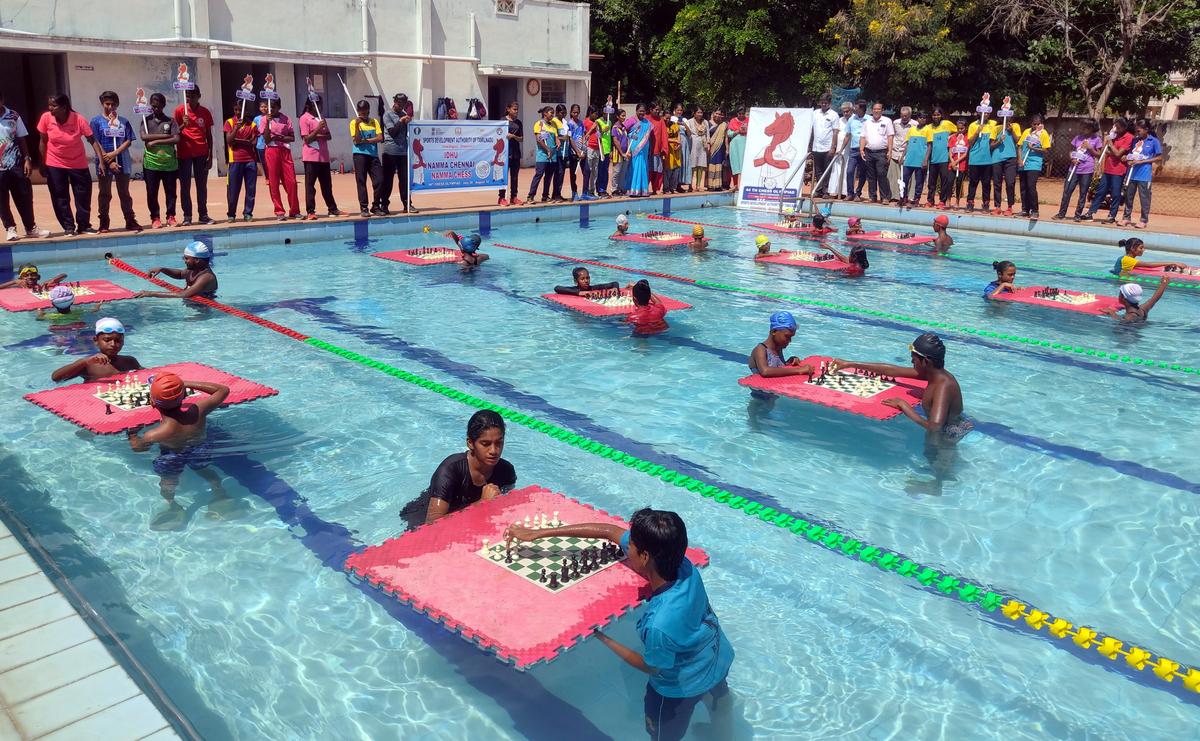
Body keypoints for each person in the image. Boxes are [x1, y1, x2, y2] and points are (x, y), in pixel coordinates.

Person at [504, 508, 734, 741]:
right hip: (718, 658)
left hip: (678, 690)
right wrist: (538, 533)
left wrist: (602, 637)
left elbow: (652, 667)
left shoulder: (659, 624)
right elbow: (610, 532)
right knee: (720, 704)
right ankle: (723, 733)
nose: (626, 547)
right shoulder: (682, 565)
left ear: (644, 557)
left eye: (631, 545)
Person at [127, 373, 233, 530]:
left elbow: (138, 448)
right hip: (199, 448)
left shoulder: (155, 433)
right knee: (205, 469)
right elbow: (223, 390)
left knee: (168, 481)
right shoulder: (198, 411)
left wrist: (133, 434)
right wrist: (184, 383)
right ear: (183, 394)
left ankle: (172, 504)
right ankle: (219, 492)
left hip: (171, 457)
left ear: (152, 402)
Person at [831, 333, 971, 440]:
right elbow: (892, 371)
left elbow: (935, 427)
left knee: (938, 469)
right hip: (946, 426)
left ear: (926, 362)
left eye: (914, 359)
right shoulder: (933, 374)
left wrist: (904, 407)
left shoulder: (943, 386)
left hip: (949, 434)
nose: (911, 362)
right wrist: (850, 364)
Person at [400, 410, 516, 528]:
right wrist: (482, 503)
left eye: (499, 443)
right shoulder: (450, 471)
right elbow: (432, 524)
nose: (494, 450)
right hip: (420, 518)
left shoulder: (506, 472)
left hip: (465, 517)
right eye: (485, 444)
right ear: (470, 443)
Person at [37, 94, 106, 235]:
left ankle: (84, 225)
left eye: (54, 106)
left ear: (64, 107)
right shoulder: (46, 118)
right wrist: (43, 163)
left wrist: (101, 161)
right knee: (59, 196)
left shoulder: (78, 119)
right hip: (54, 162)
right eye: (49, 105)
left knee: (83, 195)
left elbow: (92, 140)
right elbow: (43, 141)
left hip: (78, 163)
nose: (50, 109)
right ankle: (68, 227)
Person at [0, 91, 50, 241]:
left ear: (2, 100)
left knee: (24, 196)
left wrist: (27, 159)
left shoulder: (14, 116)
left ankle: (30, 228)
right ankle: (10, 228)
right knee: (2, 200)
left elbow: (22, 139)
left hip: (16, 165)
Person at [90, 91, 141, 234]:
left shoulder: (123, 122)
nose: (110, 106)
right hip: (103, 161)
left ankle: (130, 220)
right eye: (107, 104)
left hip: (122, 160)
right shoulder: (96, 121)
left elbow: (129, 139)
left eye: (113, 104)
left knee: (124, 192)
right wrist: (108, 159)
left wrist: (116, 153)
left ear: (117, 104)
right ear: (102, 104)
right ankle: (104, 222)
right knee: (105, 193)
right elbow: (95, 140)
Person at [51, 317, 142, 382]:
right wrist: (85, 362)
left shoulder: (130, 361)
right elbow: (56, 378)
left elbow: (147, 375)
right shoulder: (89, 365)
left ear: (123, 342)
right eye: (107, 340)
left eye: (118, 340)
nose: (113, 344)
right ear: (96, 341)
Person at [173, 86, 215, 226]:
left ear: (199, 95)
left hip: (202, 153)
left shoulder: (205, 112)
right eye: (187, 95)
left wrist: (210, 156)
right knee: (185, 185)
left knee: (201, 186)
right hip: (184, 153)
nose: (190, 98)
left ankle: (203, 215)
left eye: (192, 95)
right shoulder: (180, 111)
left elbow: (209, 135)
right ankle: (187, 216)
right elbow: (174, 133)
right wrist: (182, 125)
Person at [140, 93, 180, 229]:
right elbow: (143, 136)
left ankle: (171, 216)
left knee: (171, 192)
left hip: (169, 164)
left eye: (157, 106)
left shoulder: (170, 121)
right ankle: (155, 217)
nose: (155, 108)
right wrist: (165, 137)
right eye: (153, 105)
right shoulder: (146, 121)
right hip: (151, 164)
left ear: (163, 105)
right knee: (152, 192)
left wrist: (155, 140)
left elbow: (176, 138)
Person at [298, 97, 341, 220]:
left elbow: (329, 136)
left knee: (327, 185)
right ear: (310, 105)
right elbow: (307, 139)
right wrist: (318, 129)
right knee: (310, 185)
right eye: (317, 104)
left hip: (323, 156)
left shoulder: (320, 118)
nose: (319, 107)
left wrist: (320, 132)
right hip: (311, 156)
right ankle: (310, 211)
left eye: (320, 104)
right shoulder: (304, 118)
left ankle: (332, 208)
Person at [1083, 118, 1132, 223]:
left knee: (1115, 193)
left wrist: (1110, 144)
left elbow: (1118, 154)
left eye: (1118, 128)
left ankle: (1112, 215)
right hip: (1108, 168)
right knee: (1100, 191)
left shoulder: (1128, 137)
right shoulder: (1113, 136)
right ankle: (1090, 212)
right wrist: (1107, 140)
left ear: (1124, 127)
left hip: (1118, 170)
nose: (1116, 130)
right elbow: (1106, 151)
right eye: (1115, 127)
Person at [1054, 119, 1103, 221]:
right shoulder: (1077, 138)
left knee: (1083, 193)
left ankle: (1077, 215)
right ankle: (1061, 213)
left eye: (1085, 127)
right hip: (1074, 169)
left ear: (1091, 128)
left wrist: (1090, 148)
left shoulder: (1096, 139)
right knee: (1067, 191)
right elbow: (1071, 150)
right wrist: (1072, 158)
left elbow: (1099, 154)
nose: (1082, 129)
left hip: (1087, 170)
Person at [259, 99, 300, 220]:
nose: (271, 110)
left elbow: (292, 137)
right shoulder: (263, 119)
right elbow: (266, 139)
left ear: (279, 107)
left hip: (285, 151)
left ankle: (294, 210)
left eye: (274, 107)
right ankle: (279, 211)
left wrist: (279, 137)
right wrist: (267, 123)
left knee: (291, 182)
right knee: (274, 182)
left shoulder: (286, 119)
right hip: (271, 151)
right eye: (269, 107)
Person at [136, 241, 218, 300]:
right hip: (193, 303)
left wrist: (150, 293)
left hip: (203, 308)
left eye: (186, 258)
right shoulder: (194, 269)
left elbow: (184, 294)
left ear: (197, 260)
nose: (184, 261)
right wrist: (162, 269)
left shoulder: (206, 277)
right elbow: (180, 274)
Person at [1120, 119, 1162, 229]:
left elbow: (1159, 157)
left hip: (1144, 175)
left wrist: (1141, 161)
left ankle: (1143, 220)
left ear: (1146, 130)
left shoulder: (1154, 141)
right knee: (1128, 197)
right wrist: (1127, 158)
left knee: (1144, 198)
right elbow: (1131, 154)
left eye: (1139, 131)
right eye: (1136, 131)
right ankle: (1126, 218)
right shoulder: (1135, 141)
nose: (1137, 133)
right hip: (1132, 174)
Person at [224, 100, 258, 223]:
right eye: (236, 110)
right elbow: (229, 140)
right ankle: (231, 214)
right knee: (233, 189)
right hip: (235, 160)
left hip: (250, 160)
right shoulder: (230, 122)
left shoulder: (252, 125)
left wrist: (238, 141)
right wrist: (236, 130)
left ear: (246, 111)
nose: (238, 112)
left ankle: (248, 213)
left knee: (250, 188)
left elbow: (253, 143)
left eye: (240, 110)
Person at [748, 311, 813, 376]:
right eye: (787, 336)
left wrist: (788, 362)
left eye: (791, 337)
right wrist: (798, 370)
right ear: (774, 331)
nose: (790, 340)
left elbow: (776, 368)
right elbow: (765, 371)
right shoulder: (760, 349)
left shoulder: (778, 348)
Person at [381, 93, 415, 214]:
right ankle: (384, 205)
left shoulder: (404, 115)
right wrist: (401, 122)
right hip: (390, 152)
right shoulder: (387, 114)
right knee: (388, 180)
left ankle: (407, 204)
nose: (401, 106)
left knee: (404, 180)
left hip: (403, 152)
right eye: (399, 103)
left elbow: (409, 133)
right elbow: (393, 132)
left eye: (403, 104)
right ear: (394, 101)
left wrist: (410, 123)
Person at [350, 100, 384, 217]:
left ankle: (375, 206)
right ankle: (364, 207)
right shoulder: (354, 122)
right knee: (361, 181)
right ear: (358, 111)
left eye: (365, 111)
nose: (363, 113)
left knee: (379, 180)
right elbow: (357, 140)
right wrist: (357, 125)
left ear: (368, 110)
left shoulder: (374, 122)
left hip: (373, 155)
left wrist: (367, 141)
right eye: (360, 111)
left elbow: (380, 137)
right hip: (359, 155)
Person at [1016, 115, 1050, 219]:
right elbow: (1020, 147)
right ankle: (1025, 209)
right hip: (1023, 163)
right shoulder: (1026, 132)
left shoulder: (1043, 134)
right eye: (1034, 124)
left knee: (1031, 186)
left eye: (1038, 124)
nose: (1036, 126)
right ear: (1031, 124)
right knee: (1023, 187)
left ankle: (1035, 210)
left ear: (1041, 124)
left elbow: (1046, 150)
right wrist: (1020, 159)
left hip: (1034, 163)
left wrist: (1034, 148)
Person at [858, 103, 893, 202]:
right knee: (871, 176)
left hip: (881, 152)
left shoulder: (887, 121)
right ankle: (872, 197)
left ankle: (884, 197)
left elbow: (890, 136)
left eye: (878, 109)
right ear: (872, 110)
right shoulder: (867, 122)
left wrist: (890, 151)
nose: (876, 111)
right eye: (874, 109)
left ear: (882, 110)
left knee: (881, 174)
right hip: (868, 152)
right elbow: (863, 137)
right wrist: (861, 150)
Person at [924, 106, 956, 208]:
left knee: (944, 181)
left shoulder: (946, 124)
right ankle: (930, 200)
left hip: (944, 159)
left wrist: (951, 136)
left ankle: (942, 201)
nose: (936, 116)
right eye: (934, 115)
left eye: (938, 114)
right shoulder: (929, 127)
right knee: (931, 182)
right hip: (933, 159)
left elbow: (959, 131)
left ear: (941, 115)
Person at [989, 117, 1020, 215]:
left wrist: (1012, 132)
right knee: (997, 183)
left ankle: (1010, 207)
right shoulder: (996, 128)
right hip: (997, 158)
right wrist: (999, 141)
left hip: (1011, 158)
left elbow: (1018, 141)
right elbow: (991, 145)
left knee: (1010, 183)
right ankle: (997, 206)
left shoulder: (1015, 126)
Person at [810, 93, 839, 198]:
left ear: (829, 103)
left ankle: (826, 191)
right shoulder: (815, 113)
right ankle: (819, 189)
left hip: (827, 148)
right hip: (816, 147)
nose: (823, 104)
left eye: (825, 103)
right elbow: (810, 129)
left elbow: (835, 132)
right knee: (818, 170)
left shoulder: (833, 115)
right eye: (821, 102)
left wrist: (833, 147)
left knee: (827, 170)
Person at [965, 113, 996, 212]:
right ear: (979, 112)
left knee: (986, 183)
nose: (985, 114)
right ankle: (970, 203)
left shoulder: (993, 124)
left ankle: (986, 203)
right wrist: (977, 132)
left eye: (987, 112)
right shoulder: (973, 125)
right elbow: (970, 143)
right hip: (974, 159)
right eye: (983, 111)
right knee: (973, 183)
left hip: (988, 159)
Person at [899, 110, 930, 209]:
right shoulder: (912, 129)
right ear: (917, 119)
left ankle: (916, 199)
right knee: (904, 180)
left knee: (919, 182)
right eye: (920, 117)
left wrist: (925, 159)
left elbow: (929, 146)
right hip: (909, 160)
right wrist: (903, 156)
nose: (922, 119)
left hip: (920, 161)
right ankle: (903, 198)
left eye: (924, 118)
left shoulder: (928, 129)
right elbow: (907, 144)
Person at [1109, 237, 1186, 275]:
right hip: (1120, 283)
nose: (1143, 250)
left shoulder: (1125, 258)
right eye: (1141, 248)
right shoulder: (1127, 260)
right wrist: (1174, 263)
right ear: (1132, 248)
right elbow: (1149, 265)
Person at [1102, 278, 1169, 322]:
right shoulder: (1143, 309)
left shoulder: (1130, 317)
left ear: (1123, 297)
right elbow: (1154, 298)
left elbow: (1125, 322)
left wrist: (1112, 314)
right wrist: (1164, 283)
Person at [527, 107, 557, 203]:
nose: (552, 115)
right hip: (542, 155)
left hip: (552, 155)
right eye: (551, 113)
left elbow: (556, 137)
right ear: (545, 113)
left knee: (548, 176)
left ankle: (545, 196)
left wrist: (558, 142)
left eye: (553, 113)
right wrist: (547, 150)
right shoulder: (539, 124)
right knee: (539, 175)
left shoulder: (553, 125)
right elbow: (539, 139)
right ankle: (530, 196)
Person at [889, 106, 917, 204]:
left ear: (910, 115)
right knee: (894, 176)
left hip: (908, 153)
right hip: (895, 152)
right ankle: (895, 196)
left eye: (906, 116)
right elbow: (892, 136)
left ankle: (909, 196)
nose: (904, 117)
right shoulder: (895, 123)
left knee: (908, 177)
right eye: (902, 115)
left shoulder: (915, 124)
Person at [498, 101, 524, 206]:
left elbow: (521, 139)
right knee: (503, 176)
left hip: (515, 153)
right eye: (514, 109)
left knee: (514, 177)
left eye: (517, 109)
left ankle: (514, 197)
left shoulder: (519, 123)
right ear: (508, 109)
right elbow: (497, 135)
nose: (516, 111)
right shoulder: (502, 121)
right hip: (504, 154)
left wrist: (513, 137)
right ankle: (501, 198)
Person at [627, 105, 653, 197]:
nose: (642, 113)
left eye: (643, 111)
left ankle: (643, 190)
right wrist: (630, 136)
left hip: (644, 149)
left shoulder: (648, 123)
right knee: (635, 168)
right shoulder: (631, 120)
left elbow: (650, 136)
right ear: (636, 111)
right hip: (635, 148)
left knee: (643, 168)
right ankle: (634, 190)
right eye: (640, 111)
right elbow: (623, 130)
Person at [845, 100, 868, 200]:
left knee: (863, 172)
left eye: (856, 107)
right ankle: (850, 193)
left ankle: (858, 193)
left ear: (862, 109)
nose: (854, 109)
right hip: (853, 149)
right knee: (849, 171)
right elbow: (847, 135)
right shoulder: (851, 119)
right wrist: (841, 148)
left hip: (865, 150)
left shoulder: (869, 119)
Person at [683, 107, 708, 193]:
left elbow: (707, 134)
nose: (700, 114)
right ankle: (691, 185)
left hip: (703, 144)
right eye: (698, 112)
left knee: (701, 165)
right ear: (694, 113)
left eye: (701, 112)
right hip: (693, 143)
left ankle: (699, 185)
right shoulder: (689, 122)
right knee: (693, 164)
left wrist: (708, 144)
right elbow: (687, 133)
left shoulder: (705, 122)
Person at [947, 119, 969, 209]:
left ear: (965, 128)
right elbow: (950, 150)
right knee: (950, 182)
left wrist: (957, 161)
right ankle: (948, 200)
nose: (960, 130)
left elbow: (966, 153)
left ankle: (957, 201)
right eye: (958, 128)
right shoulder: (953, 138)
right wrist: (952, 161)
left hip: (962, 164)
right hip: (952, 164)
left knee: (959, 183)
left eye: (962, 128)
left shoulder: (967, 138)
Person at [551, 104, 570, 201]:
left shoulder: (565, 122)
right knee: (558, 173)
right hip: (558, 152)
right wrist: (564, 138)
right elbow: (555, 136)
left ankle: (558, 193)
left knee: (562, 174)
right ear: (557, 112)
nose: (564, 115)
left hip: (565, 152)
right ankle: (555, 194)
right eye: (562, 113)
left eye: (565, 113)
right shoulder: (554, 122)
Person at [554, 266, 619, 295]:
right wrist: (578, 293)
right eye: (582, 279)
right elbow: (557, 288)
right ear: (576, 281)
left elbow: (614, 283)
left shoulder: (593, 288)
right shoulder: (574, 290)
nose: (586, 281)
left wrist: (615, 288)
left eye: (587, 278)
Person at [0, 263, 66, 291]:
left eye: (33, 275)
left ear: (38, 277)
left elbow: (64, 275)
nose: (30, 277)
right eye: (26, 275)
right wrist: (14, 282)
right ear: (20, 279)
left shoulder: (42, 286)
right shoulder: (17, 287)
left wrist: (53, 280)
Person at [706, 108, 728, 190]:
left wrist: (727, 149)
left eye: (720, 114)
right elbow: (706, 136)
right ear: (713, 113)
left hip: (720, 148)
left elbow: (725, 137)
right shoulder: (708, 123)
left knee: (718, 165)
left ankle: (718, 185)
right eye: (716, 113)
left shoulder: (724, 125)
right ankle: (710, 185)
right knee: (711, 165)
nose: (718, 115)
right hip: (711, 148)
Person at [727, 106, 747, 191]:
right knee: (735, 165)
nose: (741, 115)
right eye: (740, 113)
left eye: (743, 113)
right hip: (735, 146)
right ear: (737, 113)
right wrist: (738, 131)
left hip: (745, 145)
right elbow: (729, 134)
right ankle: (735, 185)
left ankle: (744, 185)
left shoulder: (749, 120)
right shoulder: (733, 121)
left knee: (744, 164)